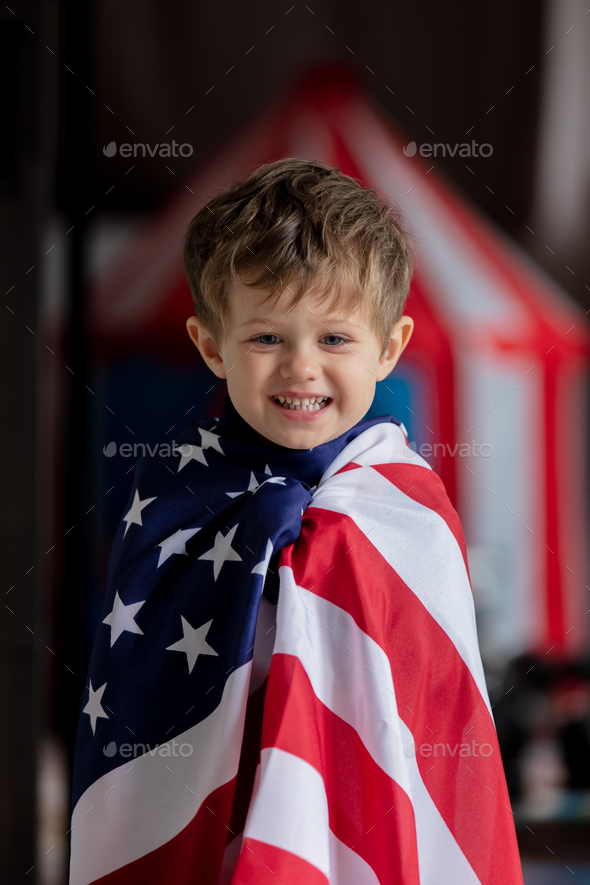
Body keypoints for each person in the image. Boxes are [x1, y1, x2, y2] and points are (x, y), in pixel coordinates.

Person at [69, 158, 523, 884]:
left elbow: (437, 715)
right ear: (212, 346)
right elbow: (137, 688)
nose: (301, 368)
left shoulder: (407, 514)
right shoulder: (175, 498)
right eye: (266, 339)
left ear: (391, 347)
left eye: (335, 339)